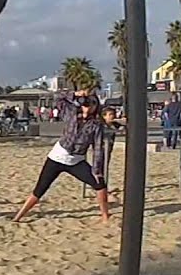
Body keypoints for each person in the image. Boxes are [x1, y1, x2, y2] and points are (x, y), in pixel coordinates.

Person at [12, 89, 112, 223]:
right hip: (57, 157)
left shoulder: (96, 125)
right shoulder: (71, 113)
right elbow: (57, 97)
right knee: (40, 189)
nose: (88, 106)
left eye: (92, 103)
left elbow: (98, 148)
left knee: (100, 185)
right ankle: (18, 216)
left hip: (76, 161)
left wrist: (97, 170)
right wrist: (76, 94)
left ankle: (105, 216)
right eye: (86, 103)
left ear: (96, 106)